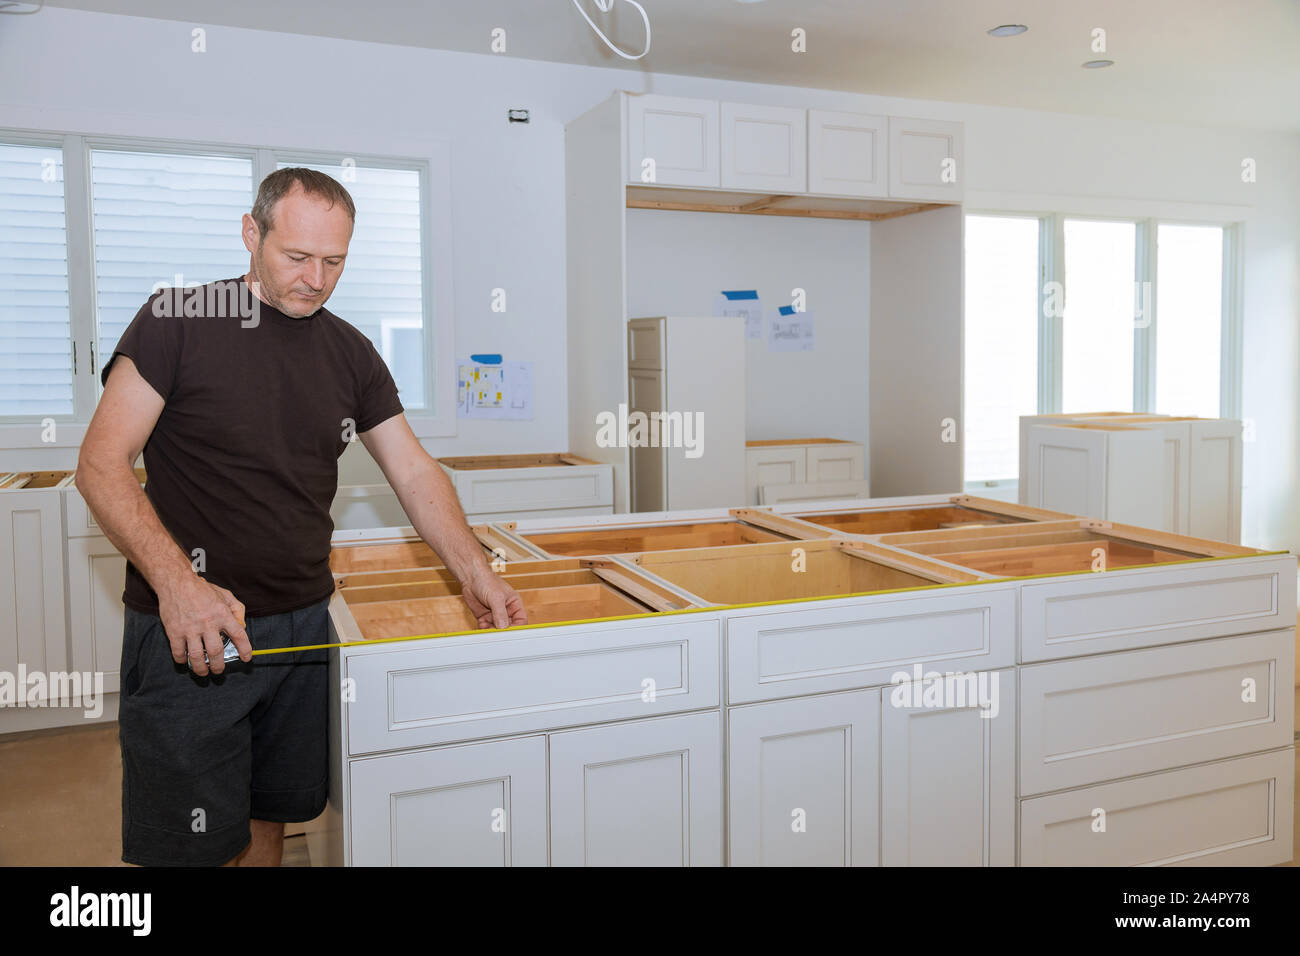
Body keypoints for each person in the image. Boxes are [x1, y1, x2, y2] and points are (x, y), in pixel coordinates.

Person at [76, 167, 526, 866]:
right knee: (190, 847)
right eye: (297, 257)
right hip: (193, 629)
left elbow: (411, 469)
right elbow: (101, 465)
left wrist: (476, 569)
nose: (316, 279)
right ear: (252, 234)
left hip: (304, 630)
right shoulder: (175, 322)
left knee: (272, 819)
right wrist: (179, 585)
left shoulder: (349, 351)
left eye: (335, 261)